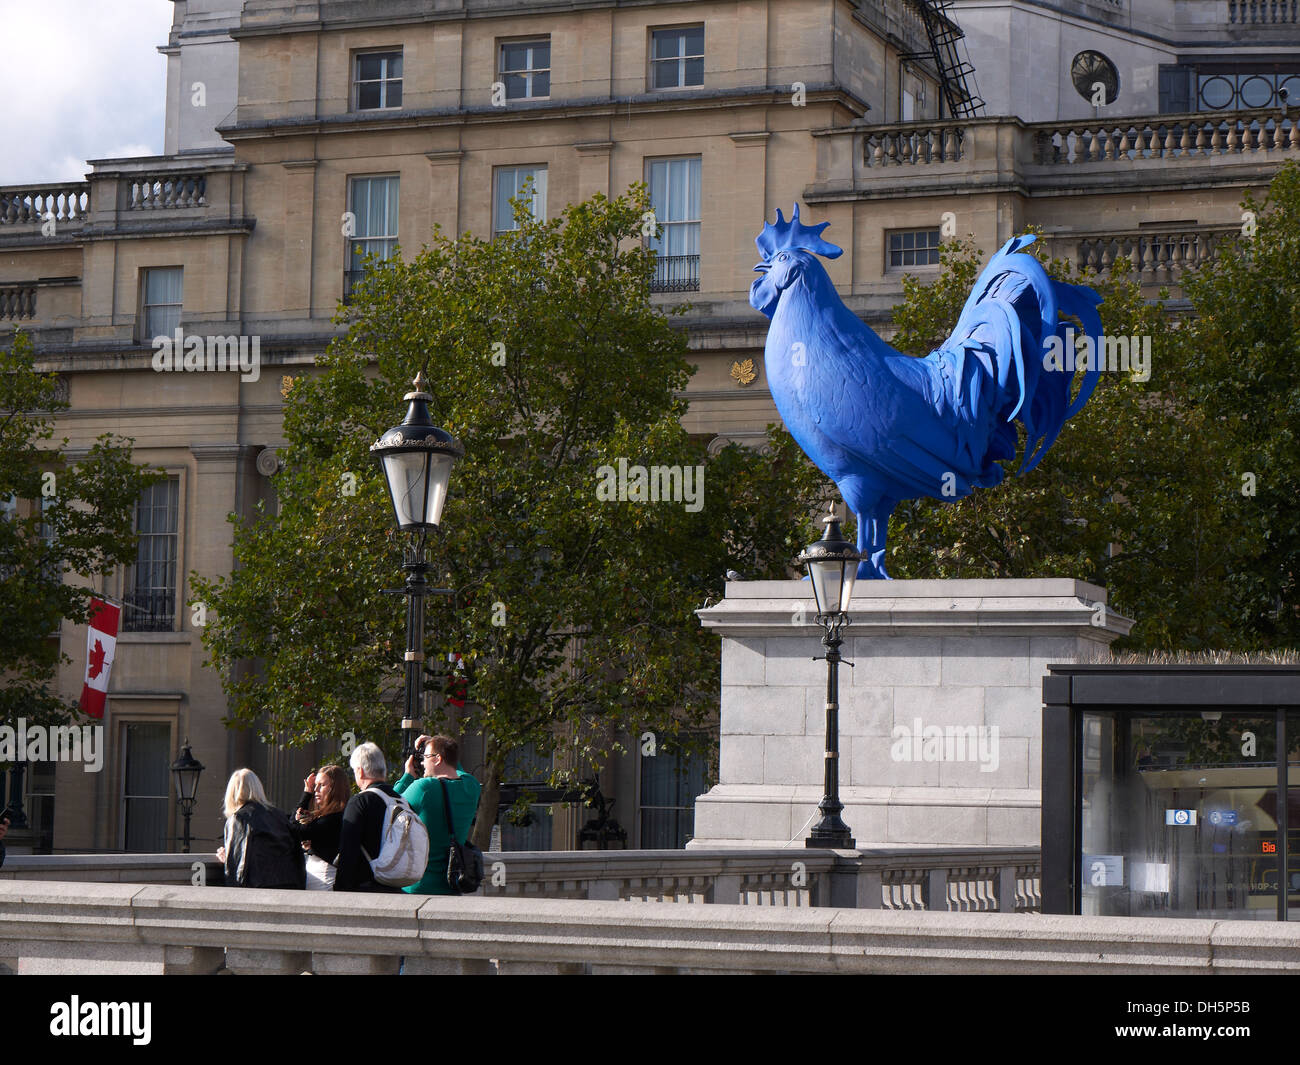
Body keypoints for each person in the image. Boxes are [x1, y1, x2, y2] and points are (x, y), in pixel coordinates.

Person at [395, 734, 481, 895]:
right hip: (453, 886)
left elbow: (387, 803)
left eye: (425, 757)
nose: (422, 762)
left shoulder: (424, 787)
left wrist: (407, 776)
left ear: (438, 759)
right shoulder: (472, 786)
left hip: (418, 887)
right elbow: (458, 772)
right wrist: (438, 743)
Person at [215, 768, 306, 889]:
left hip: (258, 889)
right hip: (289, 885)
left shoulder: (239, 818)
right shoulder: (278, 815)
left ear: (232, 792)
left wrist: (226, 859)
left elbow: (237, 864)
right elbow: (297, 855)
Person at [334, 742, 404, 893]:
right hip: (396, 887)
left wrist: (340, 888)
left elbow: (348, 850)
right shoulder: (401, 800)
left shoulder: (359, 802)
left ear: (360, 771)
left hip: (365, 887)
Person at [290, 764, 349, 890]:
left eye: (322, 785)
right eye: (315, 785)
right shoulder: (325, 816)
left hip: (325, 879)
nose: (315, 790)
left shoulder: (334, 817)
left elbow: (293, 830)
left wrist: (306, 795)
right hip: (318, 876)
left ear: (335, 788)